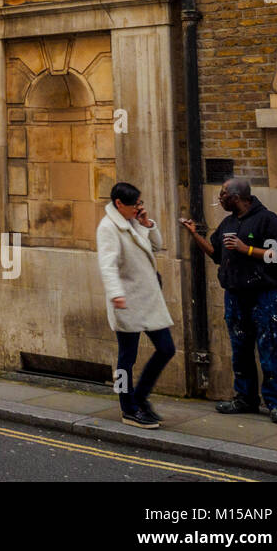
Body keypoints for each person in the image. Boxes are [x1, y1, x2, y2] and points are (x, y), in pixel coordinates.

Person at [180, 177, 277, 424]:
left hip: (264, 295)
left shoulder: (267, 220)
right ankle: (245, 398)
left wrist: (247, 249)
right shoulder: (228, 223)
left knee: (269, 350)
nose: (219, 199)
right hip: (235, 295)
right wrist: (194, 234)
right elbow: (215, 254)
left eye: (222, 195)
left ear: (237, 197)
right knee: (240, 351)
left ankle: (276, 404)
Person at [96, 181, 176, 429]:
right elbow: (107, 265)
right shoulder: (109, 228)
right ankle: (127, 407)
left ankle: (140, 396)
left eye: (140, 203)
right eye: (134, 205)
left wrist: (148, 224)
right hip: (126, 302)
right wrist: (116, 294)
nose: (138, 208)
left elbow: (157, 246)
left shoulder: (132, 222)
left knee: (167, 349)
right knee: (126, 359)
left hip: (148, 300)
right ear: (119, 204)